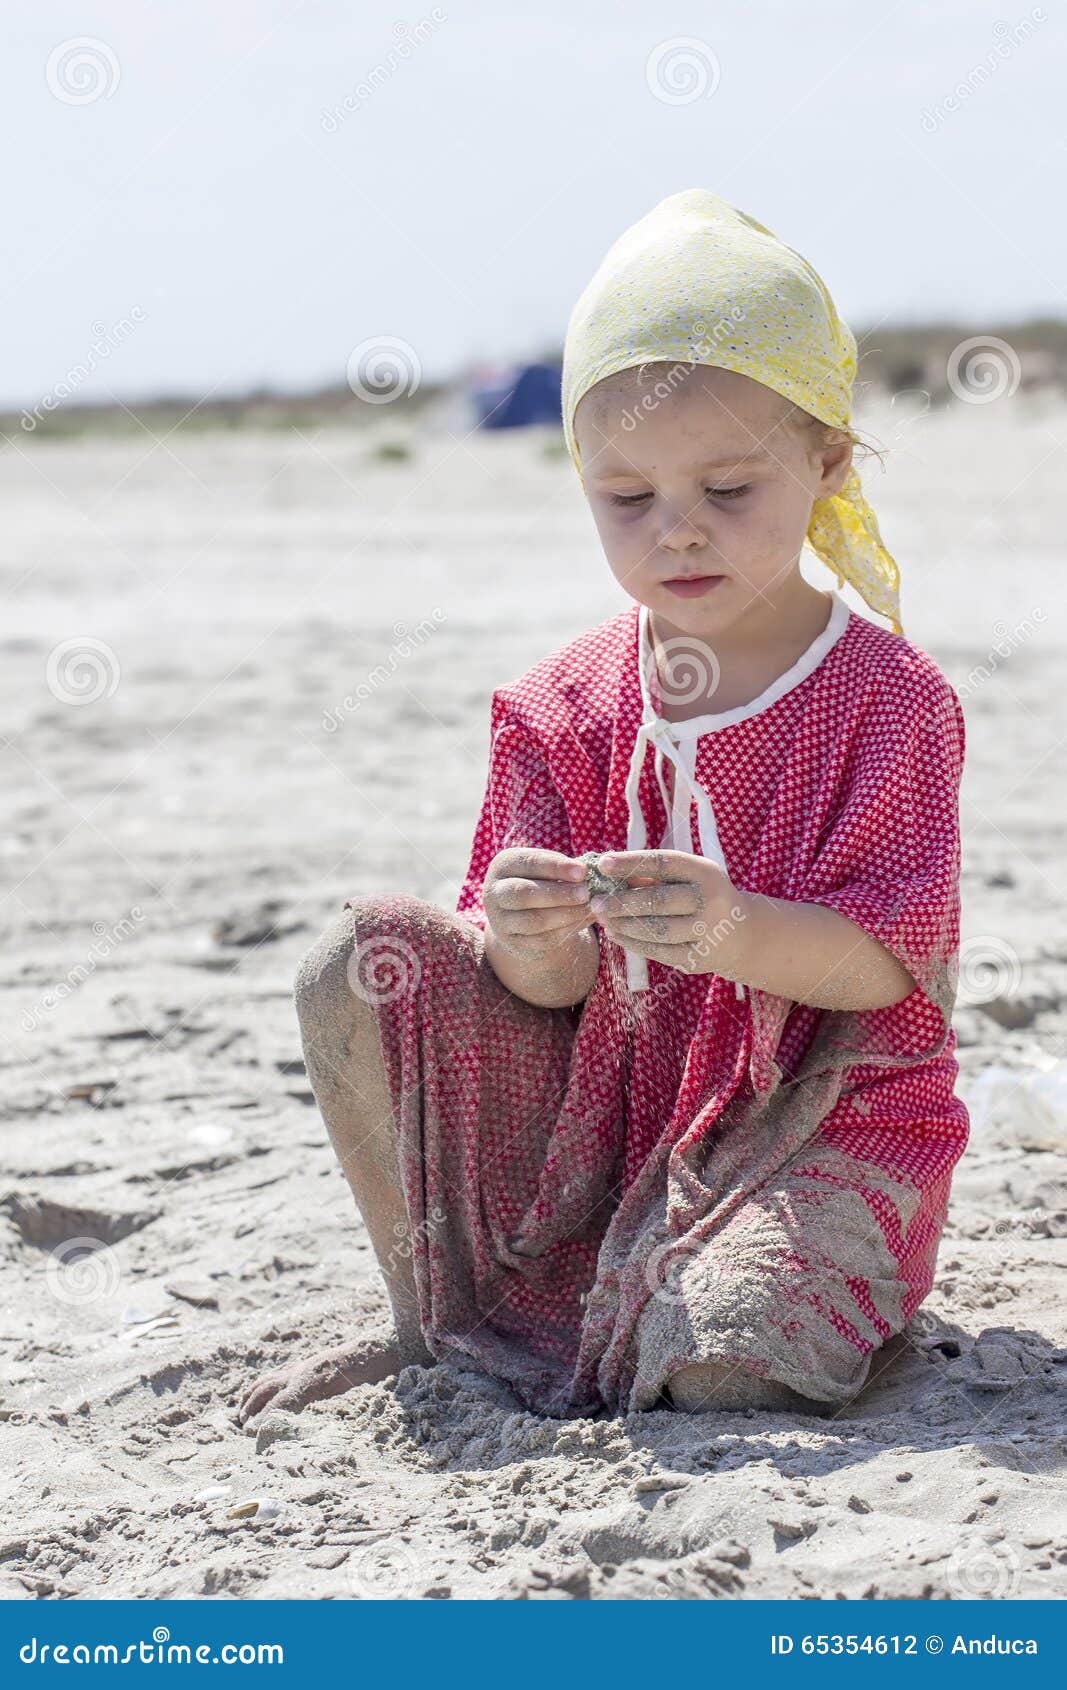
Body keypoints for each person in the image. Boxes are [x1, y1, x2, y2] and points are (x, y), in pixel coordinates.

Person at [239, 188, 967, 1426]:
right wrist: (534, 943)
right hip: (603, 1126)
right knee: (357, 964)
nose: (675, 529)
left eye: (726, 488)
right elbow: (536, 1004)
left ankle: (749, 1296)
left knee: (723, 1364)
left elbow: (891, 971)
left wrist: (736, 931)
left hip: (810, 1125)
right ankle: (435, 1325)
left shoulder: (886, 702)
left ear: (825, 461)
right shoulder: (555, 706)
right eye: (625, 499)